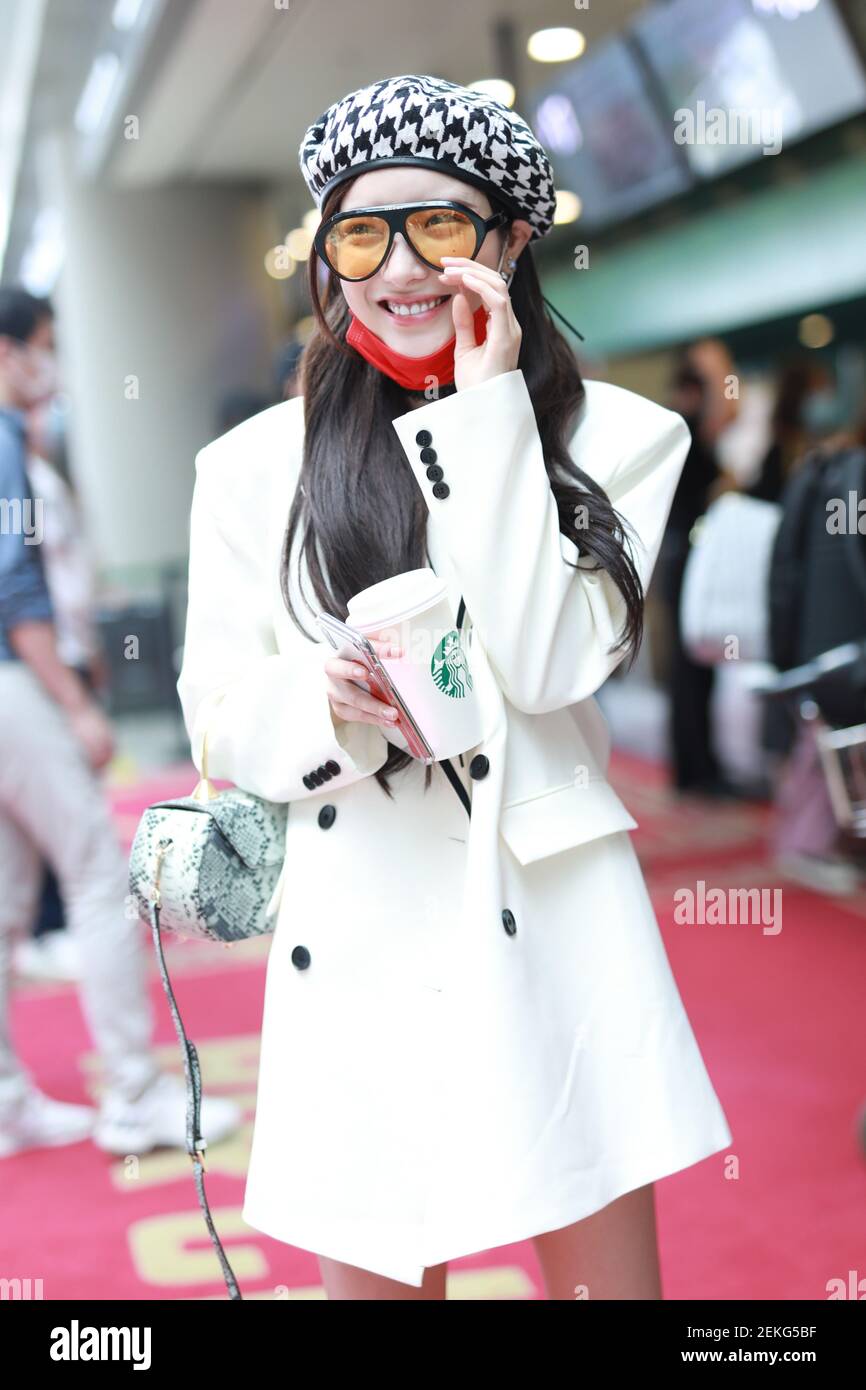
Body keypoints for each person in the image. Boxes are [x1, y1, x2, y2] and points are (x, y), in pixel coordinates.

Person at [176, 74, 732, 1301]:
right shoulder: (249, 468)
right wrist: (318, 702)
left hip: (548, 913)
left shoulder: (621, 438)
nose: (398, 268)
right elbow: (214, 710)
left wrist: (489, 413)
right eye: (361, 233)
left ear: (511, 236)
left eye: (439, 224)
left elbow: (543, 664)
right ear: (328, 254)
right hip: (357, 915)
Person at [0, 287, 241, 1158]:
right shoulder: (2, 446)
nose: (49, 364)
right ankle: (134, 1099)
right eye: (41, 345)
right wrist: (72, 702)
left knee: (9, 898)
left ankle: (5, 1101)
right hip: (18, 686)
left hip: (14, 682)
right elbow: (16, 591)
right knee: (100, 878)